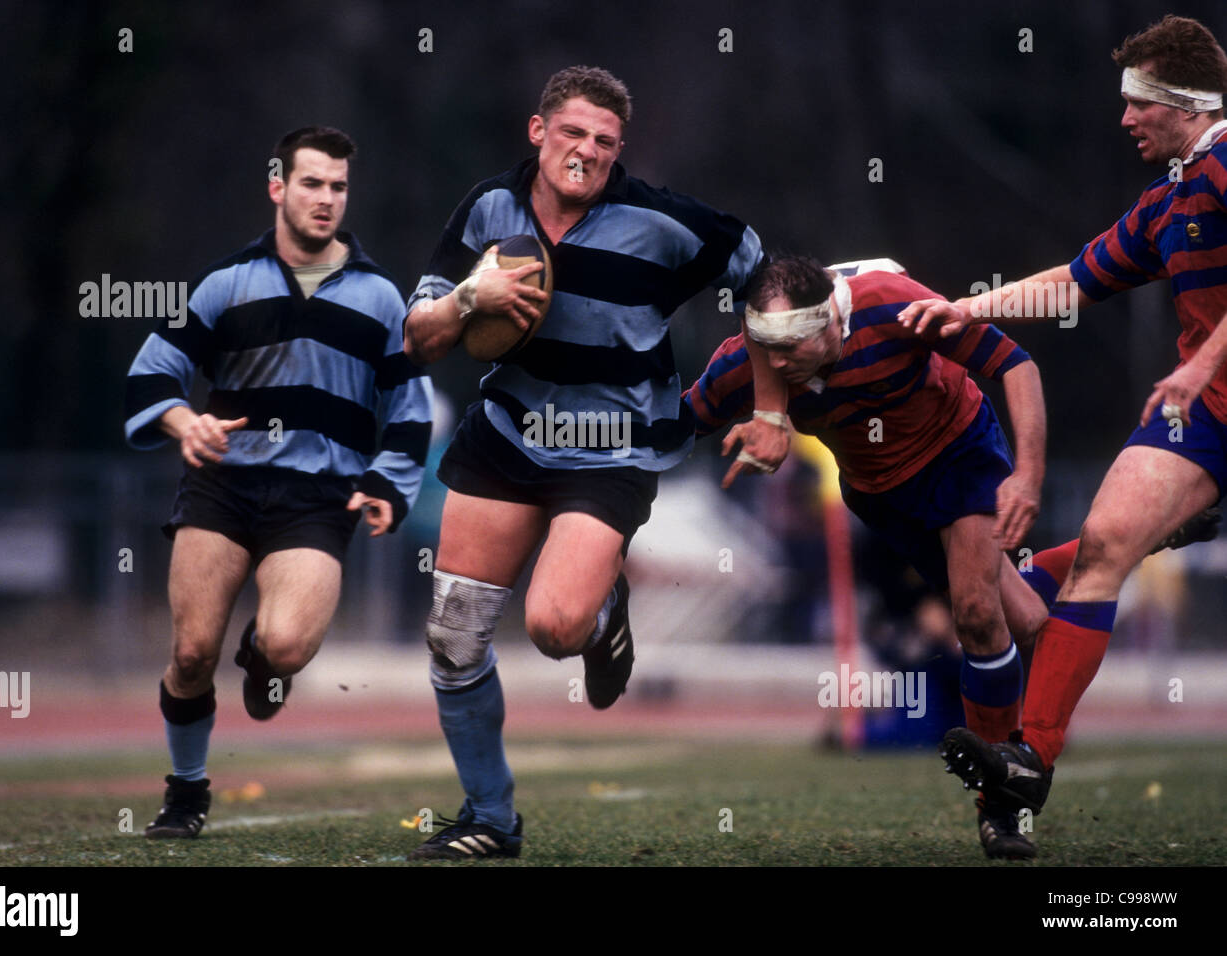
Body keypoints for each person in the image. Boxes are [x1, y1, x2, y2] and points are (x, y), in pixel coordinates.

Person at [401, 65, 768, 860]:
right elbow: (417, 336)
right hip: (507, 428)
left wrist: (770, 405)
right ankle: (490, 820)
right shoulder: (488, 208)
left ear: (619, 151)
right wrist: (473, 299)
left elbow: (766, 281)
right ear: (538, 132)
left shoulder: (662, 221)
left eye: (604, 141)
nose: (587, 151)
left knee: (552, 627)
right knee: (454, 636)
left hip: (613, 442)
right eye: (572, 133)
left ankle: (602, 610)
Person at [899, 14, 1227, 857]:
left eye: (1136, 104)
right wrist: (966, 307)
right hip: (1206, 417)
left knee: (1076, 564)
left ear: (1184, 103)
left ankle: (1013, 600)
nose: (1124, 121)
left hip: (1201, 391)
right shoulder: (1169, 199)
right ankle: (1027, 764)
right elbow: (1074, 284)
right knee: (1104, 546)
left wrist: (1197, 366)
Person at [687, 254, 1068, 858]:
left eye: (791, 346)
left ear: (832, 322)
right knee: (1031, 624)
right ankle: (1114, 546)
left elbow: (1016, 364)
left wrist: (1028, 474)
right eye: (767, 347)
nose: (777, 363)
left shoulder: (893, 305)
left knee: (974, 614)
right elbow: (679, 420)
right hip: (879, 494)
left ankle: (1000, 807)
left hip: (958, 451)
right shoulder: (750, 363)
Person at [123, 126, 433, 838]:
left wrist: (387, 483)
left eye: (338, 186)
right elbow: (150, 374)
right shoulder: (225, 283)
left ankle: (264, 660)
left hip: (318, 497)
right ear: (278, 187)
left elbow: (410, 411)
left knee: (288, 645)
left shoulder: (383, 298)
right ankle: (187, 790)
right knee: (193, 653)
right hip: (222, 486)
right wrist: (183, 424)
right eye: (312, 183)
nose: (326, 200)